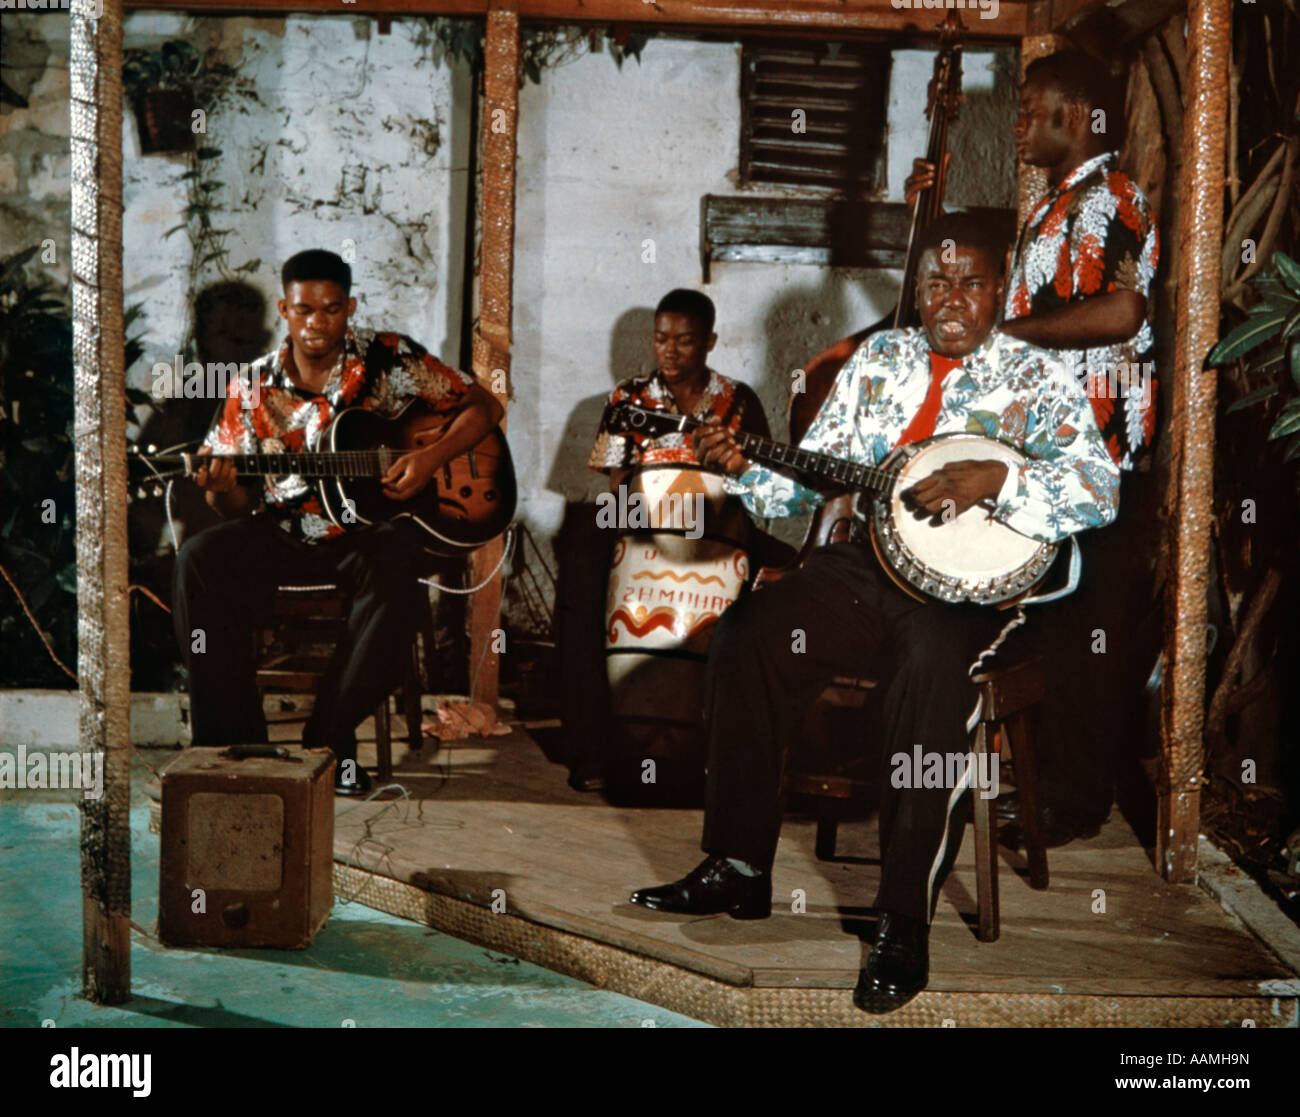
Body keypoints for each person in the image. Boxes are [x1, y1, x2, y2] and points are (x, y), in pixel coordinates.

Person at [627, 214, 1120, 1013]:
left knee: (930, 675)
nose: (949, 298)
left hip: (970, 591)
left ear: (1001, 290)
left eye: (969, 282)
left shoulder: (1037, 379)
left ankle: (901, 919)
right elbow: (798, 491)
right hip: (862, 566)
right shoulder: (876, 362)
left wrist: (993, 483)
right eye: (934, 281)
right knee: (750, 634)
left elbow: (1101, 491)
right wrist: (744, 466)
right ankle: (740, 866)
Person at [907, 50, 1160, 844]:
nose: (1016, 121)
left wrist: (1004, 334)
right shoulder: (1059, 207)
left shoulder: (1114, 196)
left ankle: (1076, 804)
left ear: (1078, 116)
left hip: (1100, 455)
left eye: (1030, 107)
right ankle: (1052, 793)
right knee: (1056, 626)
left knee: (1089, 635)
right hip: (1055, 457)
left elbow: (1122, 312)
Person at [172, 249, 503, 795]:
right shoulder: (251, 386)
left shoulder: (388, 358)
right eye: (304, 310)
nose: (316, 323)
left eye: (330, 309)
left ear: (349, 307)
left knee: (398, 568)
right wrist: (221, 491)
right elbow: (233, 508)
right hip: (286, 529)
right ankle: (236, 746)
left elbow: (483, 409)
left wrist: (429, 458)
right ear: (284, 308)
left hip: (369, 535)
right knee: (198, 561)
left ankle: (328, 740)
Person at [575, 289, 785, 794]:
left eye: (685, 341)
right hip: (644, 518)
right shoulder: (627, 397)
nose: (669, 351)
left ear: (710, 342)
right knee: (584, 573)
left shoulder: (739, 400)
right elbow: (617, 482)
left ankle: (725, 756)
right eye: (661, 339)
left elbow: (759, 479)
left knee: (782, 580)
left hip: (723, 525)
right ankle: (594, 751)